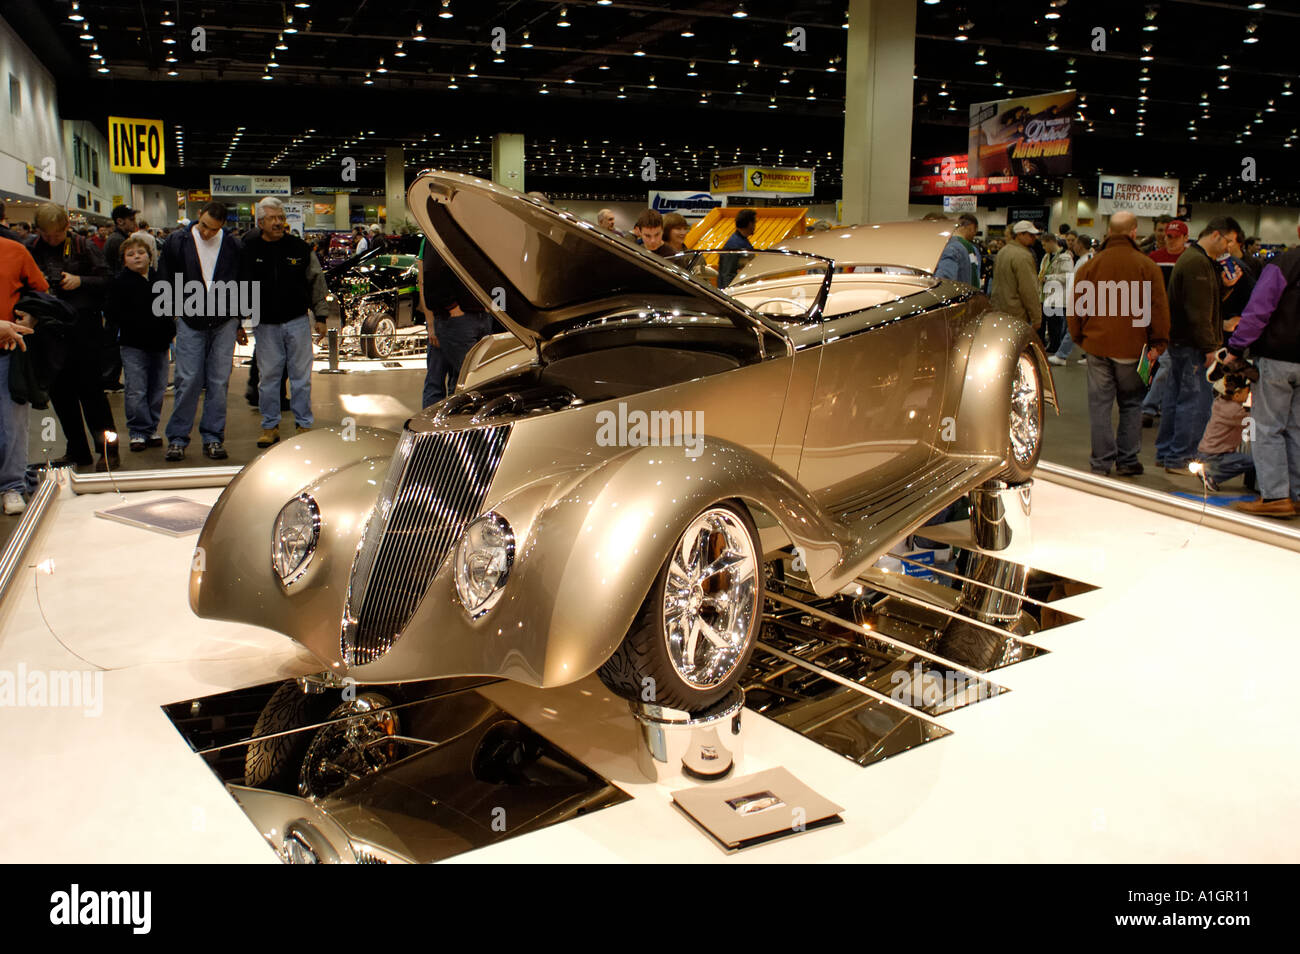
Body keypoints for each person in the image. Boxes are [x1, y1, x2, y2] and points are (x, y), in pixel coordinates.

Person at [1069, 210, 1170, 477]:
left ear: (1110, 232)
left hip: (1097, 346)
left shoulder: (1090, 266)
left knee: (1100, 406)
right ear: (1134, 232)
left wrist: (1080, 337)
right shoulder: (1147, 266)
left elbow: (1076, 306)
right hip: (1136, 348)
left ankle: (1101, 462)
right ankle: (1127, 460)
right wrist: (1158, 343)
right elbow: (1158, 308)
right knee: (1132, 403)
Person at [23, 203, 118, 471]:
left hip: (83, 329)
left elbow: (108, 280)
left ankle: (108, 450)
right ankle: (77, 450)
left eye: (57, 234)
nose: (52, 239)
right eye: (47, 234)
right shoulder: (30, 248)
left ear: (67, 227)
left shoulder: (83, 246)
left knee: (92, 393)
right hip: (48, 333)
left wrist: (80, 280)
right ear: (38, 230)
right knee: (61, 396)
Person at [1224, 214, 1300, 518]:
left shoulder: (1284, 263)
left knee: (1267, 428)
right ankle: (1295, 494)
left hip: (1278, 358)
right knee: (1297, 429)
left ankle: (1275, 497)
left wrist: (1236, 348)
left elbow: (1259, 310)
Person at [240, 196, 329, 447]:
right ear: (260, 222)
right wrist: (238, 321)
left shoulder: (299, 248)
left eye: (281, 218)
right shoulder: (250, 250)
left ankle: (303, 424)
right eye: (272, 219)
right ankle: (270, 426)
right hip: (265, 324)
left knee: (302, 376)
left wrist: (321, 316)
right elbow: (241, 286)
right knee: (268, 377)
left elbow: (316, 282)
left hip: (297, 321)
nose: (278, 223)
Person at [1157, 216, 1243, 474]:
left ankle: (1167, 453)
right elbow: (1198, 311)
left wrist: (1225, 287)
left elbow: (1204, 302)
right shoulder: (1197, 262)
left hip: (1184, 343)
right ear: (1216, 235)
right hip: (1193, 346)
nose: (1228, 247)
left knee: (1175, 398)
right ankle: (1180, 457)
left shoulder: (1198, 260)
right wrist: (1209, 348)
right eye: (1228, 241)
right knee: (1193, 403)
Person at [161, 201, 244, 461]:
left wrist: (240, 321)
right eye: (205, 226)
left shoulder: (233, 244)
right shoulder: (177, 241)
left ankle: (213, 437)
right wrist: (170, 316)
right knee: (187, 380)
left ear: (222, 226)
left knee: (219, 382)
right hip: (189, 318)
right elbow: (164, 277)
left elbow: (243, 280)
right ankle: (177, 438)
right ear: (199, 216)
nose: (207, 233)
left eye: (214, 229)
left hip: (225, 319)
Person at [106, 232, 175, 453]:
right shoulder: (119, 283)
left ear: (150, 256)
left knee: (157, 388)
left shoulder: (160, 280)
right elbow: (112, 312)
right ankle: (138, 430)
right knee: (136, 389)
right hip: (133, 344)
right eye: (131, 254)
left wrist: (170, 329)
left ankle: (152, 427)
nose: (137, 257)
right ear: (124, 259)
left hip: (160, 343)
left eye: (141, 253)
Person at [419, 236, 493, 406]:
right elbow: (426, 278)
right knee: (466, 379)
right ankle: (435, 429)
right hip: (455, 318)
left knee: (461, 381)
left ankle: (451, 427)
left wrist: (491, 307)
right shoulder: (438, 230)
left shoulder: (473, 232)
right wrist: (452, 310)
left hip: (476, 316)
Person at [0, 233, 45, 514]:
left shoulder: (15, 251)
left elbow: (39, 291)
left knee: (11, 424)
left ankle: (11, 485)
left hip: (8, 350)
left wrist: (31, 315)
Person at [1195, 355, 1257, 493]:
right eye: (1247, 393)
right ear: (1236, 395)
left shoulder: (1220, 403)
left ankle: (1210, 471)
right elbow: (1253, 421)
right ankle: (1212, 474)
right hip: (1215, 455)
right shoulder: (1234, 411)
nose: (1248, 396)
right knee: (1252, 461)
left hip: (1207, 452)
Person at [990, 220, 1042, 330]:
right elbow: (1028, 289)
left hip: (998, 311)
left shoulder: (1002, 252)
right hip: (1016, 313)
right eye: (1030, 235)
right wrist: (1036, 318)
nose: (1034, 238)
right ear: (1019, 234)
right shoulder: (1023, 256)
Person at [1037, 231, 1074, 360]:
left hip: (1058, 295)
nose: (1043, 247)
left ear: (1052, 242)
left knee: (1055, 325)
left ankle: (1056, 347)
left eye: (1044, 244)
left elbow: (1067, 276)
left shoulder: (1065, 257)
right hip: (1045, 294)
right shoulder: (1046, 257)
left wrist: (1049, 278)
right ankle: (1051, 345)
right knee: (1046, 322)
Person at [934, 213, 981, 285]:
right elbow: (974, 276)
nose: (975, 234)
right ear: (971, 227)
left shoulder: (950, 246)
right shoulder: (963, 247)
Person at [717, 208, 756, 289]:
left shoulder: (740, 241)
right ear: (749, 223)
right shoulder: (734, 246)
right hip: (735, 290)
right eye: (754, 222)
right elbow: (727, 274)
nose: (755, 226)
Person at [1149, 219, 1188, 288]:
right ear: (1165, 237)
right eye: (1169, 236)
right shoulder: (1154, 257)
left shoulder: (1191, 258)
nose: (1172, 241)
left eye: (1177, 237)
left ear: (1185, 238)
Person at [102, 204, 139, 274]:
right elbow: (121, 268)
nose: (135, 223)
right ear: (120, 221)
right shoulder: (117, 240)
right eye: (131, 219)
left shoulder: (119, 237)